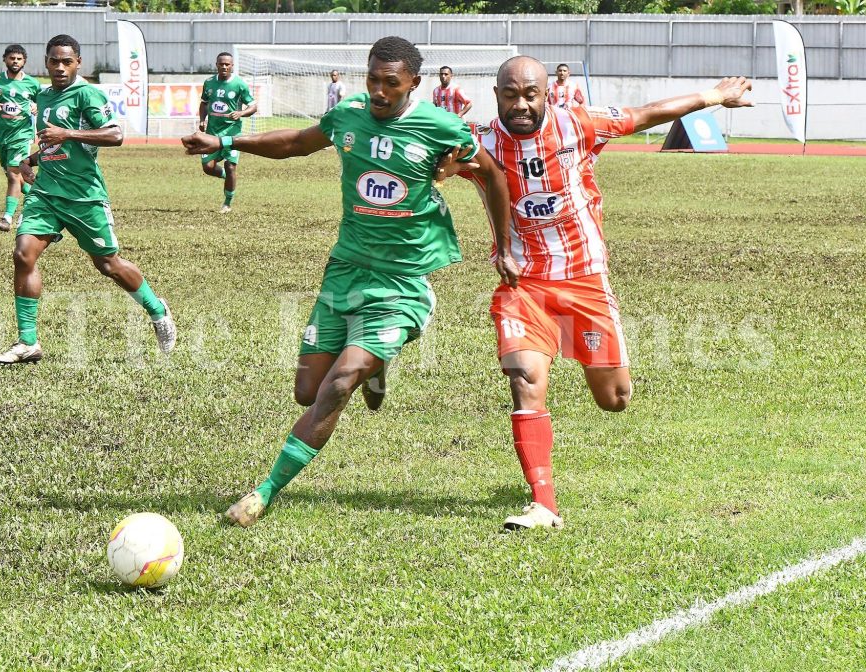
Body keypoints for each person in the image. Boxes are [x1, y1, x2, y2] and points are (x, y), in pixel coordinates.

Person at [181, 36, 515, 528]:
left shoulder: (442, 126)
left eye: (391, 83)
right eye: (373, 79)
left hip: (402, 281)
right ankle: (376, 368)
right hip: (346, 269)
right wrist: (227, 141)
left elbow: (494, 176)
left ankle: (264, 493)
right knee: (307, 390)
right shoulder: (350, 113)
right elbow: (298, 143)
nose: (379, 92)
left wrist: (503, 245)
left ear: (414, 84)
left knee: (337, 386)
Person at [457, 56, 752, 531]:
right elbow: (428, 163)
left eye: (530, 94)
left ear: (546, 94)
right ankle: (543, 502)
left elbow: (647, 113)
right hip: (523, 286)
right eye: (510, 95)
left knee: (614, 399)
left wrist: (712, 97)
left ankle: (589, 363)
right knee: (523, 379)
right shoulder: (480, 142)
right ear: (497, 96)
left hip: (585, 280)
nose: (521, 105)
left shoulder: (579, 125)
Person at [0, 34, 176, 365]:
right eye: (53, 61)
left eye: (66, 62)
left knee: (108, 265)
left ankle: (157, 309)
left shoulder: (87, 94)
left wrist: (69, 133)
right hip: (46, 194)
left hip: (84, 197)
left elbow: (116, 134)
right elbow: (52, 143)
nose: (59, 67)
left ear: (78, 63)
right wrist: (29, 160)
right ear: (45, 62)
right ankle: (28, 342)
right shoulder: (44, 97)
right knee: (23, 254)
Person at [0, 44, 42, 233]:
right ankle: (40, 200)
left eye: (19, 59)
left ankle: (7, 218)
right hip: (2, 136)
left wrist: (36, 106)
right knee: (17, 178)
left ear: (24, 61)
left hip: (22, 135)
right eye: (12, 58)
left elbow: (44, 101)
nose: (15, 62)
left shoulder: (32, 83)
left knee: (14, 174)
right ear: (5, 59)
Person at [198, 52, 258, 214]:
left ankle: (227, 203)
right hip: (212, 134)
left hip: (233, 133)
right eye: (221, 64)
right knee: (208, 167)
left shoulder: (239, 84)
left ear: (232, 66)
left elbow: (253, 106)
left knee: (230, 166)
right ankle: (227, 177)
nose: (224, 67)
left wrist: (241, 113)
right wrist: (202, 120)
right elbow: (204, 104)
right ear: (216, 64)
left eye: (227, 64)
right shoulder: (209, 83)